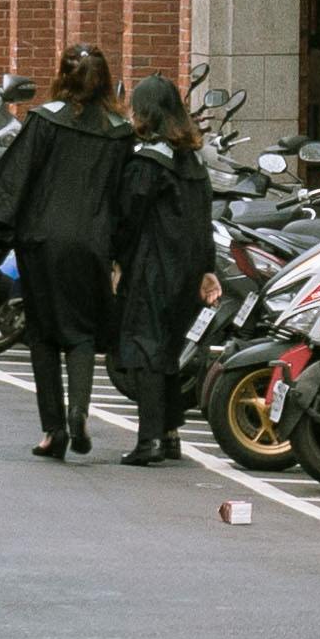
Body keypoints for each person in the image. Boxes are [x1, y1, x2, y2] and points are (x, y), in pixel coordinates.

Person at [0, 46, 115, 460]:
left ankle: (53, 430)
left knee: (43, 334)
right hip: (92, 242)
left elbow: (13, 181)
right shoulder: (119, 131)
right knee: (81, 331)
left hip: (41, 242)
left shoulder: (44, 121)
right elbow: (125, 197)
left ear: (62, 77)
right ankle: (80, 410)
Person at [107, 71, 219, 466]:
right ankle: (171, 434)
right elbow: (205, 220)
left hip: (153, 264)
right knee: (170, 349)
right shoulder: (192, 160)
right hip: (188, 266)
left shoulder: (148, 161)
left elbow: (129, 217)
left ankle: (150, 439)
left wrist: (117, 260)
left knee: (145, 350)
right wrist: (208, 268)